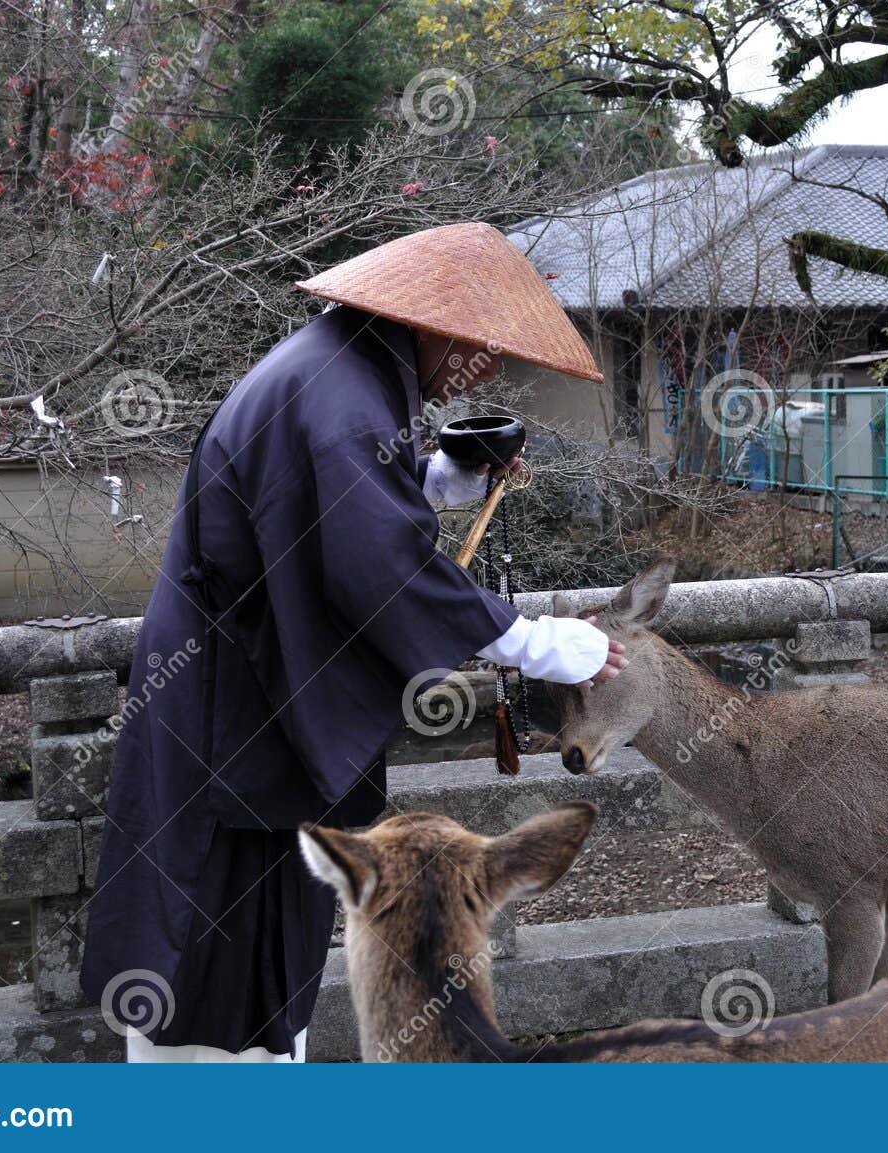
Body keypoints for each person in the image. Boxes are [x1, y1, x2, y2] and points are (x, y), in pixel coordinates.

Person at [79, 222, 627, 1063]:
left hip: (241, 700)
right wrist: (538, 641)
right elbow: (376, 563)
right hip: (237, 719)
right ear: (435, 324)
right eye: (475, 345)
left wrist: (440, 477)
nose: (475, 365)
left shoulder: (337, 366)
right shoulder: (342, 397)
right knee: (219, 976)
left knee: (235, 962)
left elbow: (337, 512)